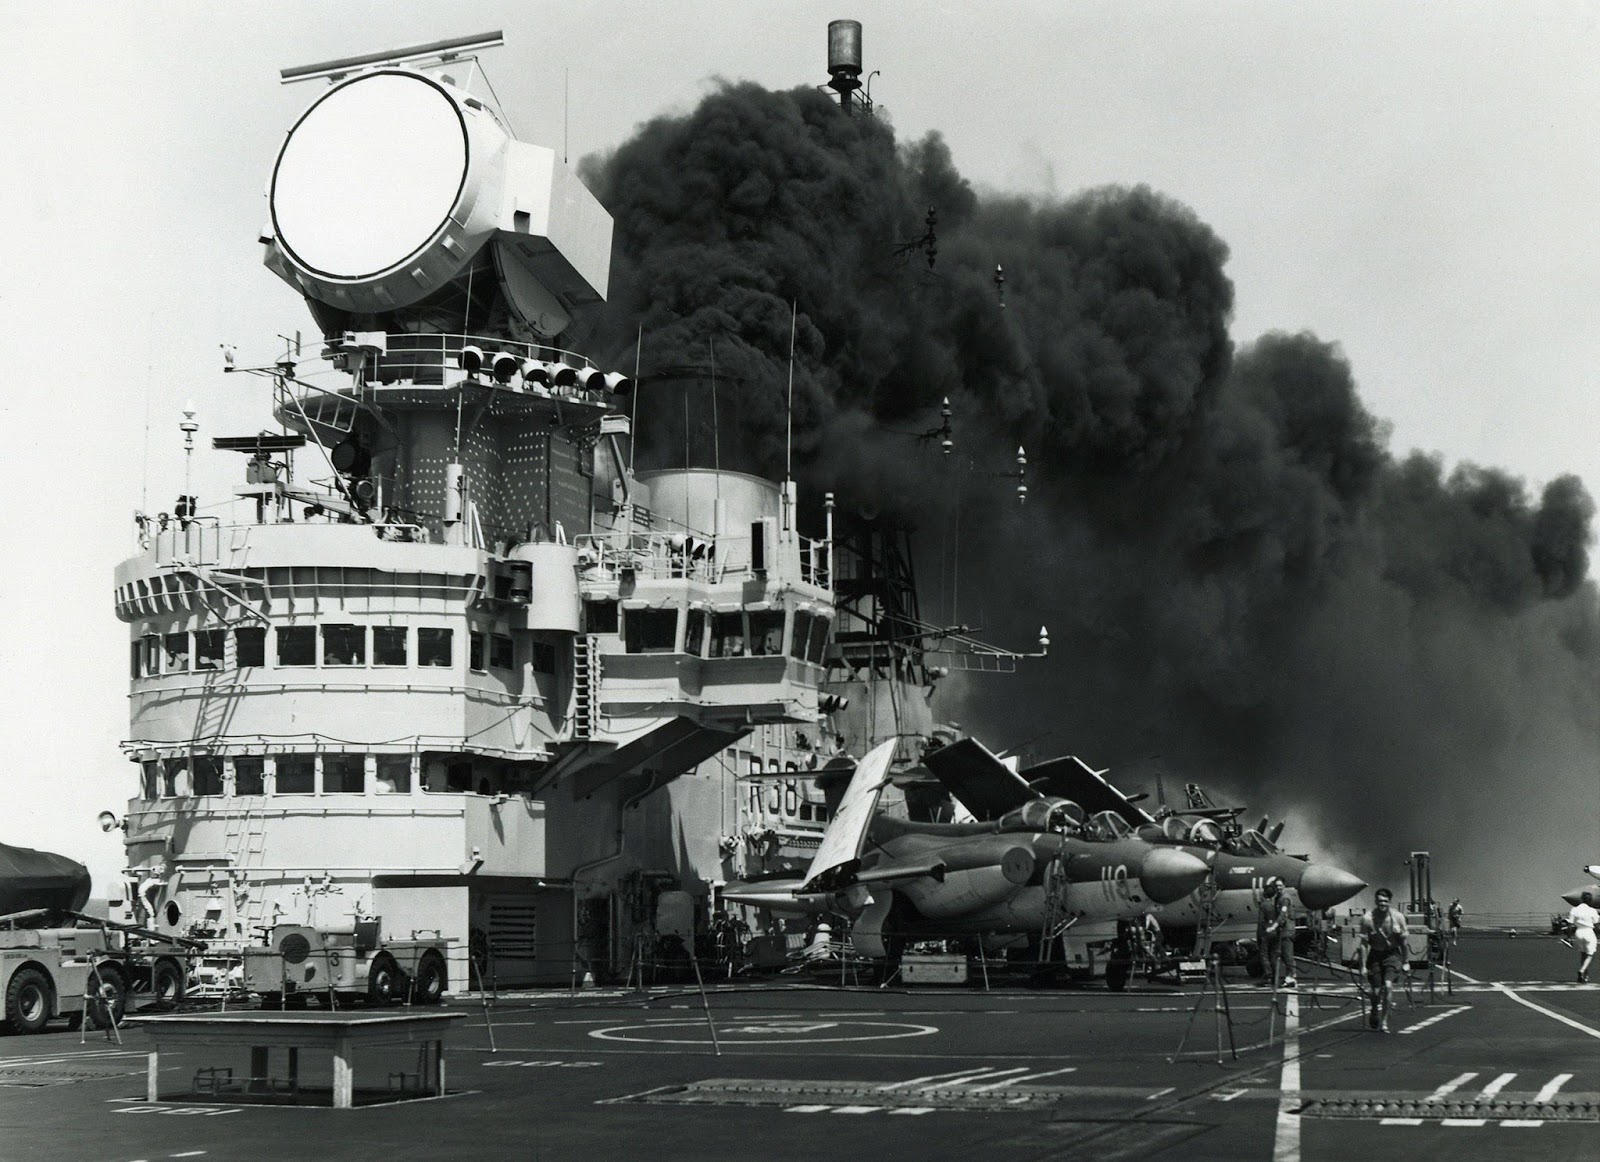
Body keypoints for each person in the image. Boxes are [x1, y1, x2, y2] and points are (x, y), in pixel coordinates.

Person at [1361, 888, 1410, 1031]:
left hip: (1392, 955)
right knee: (1376, 991)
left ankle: (1384, 1022)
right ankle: (1375, 1010)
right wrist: (1363, 965)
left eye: (1385, 901)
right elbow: (1364, 944)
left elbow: (1404, 943)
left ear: (1389, 902)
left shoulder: (1398, 917)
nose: (1382, 903)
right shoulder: (1367, 919)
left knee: (1388, 986)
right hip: (1375, 954)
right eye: (1380, 901)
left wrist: (1406, 962)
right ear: (1375, 901)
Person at [1257, 877, 1296, 988]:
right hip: (1282, 931)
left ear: (1284, 885)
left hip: (1286, 931)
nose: (1279, 888)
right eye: (1277, 886)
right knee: (1282, 954)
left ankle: (1290, 978)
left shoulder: (1284, 898)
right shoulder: (1278, 898)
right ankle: (1287, 977)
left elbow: (1282, 915)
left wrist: (1273, 927)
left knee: (1287, 955)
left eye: (1280, 885)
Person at [1568, 890, 1598, 984]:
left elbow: (1570, 924)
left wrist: (1569, 937)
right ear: (1590, 901)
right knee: (1590, 955)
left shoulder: (1574, 909)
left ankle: (1585, 976)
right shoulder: (1592, 910)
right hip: (1589, 932)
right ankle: (1582, 971)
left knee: (1583, 954)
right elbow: (1597, 925)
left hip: (1579, 932)